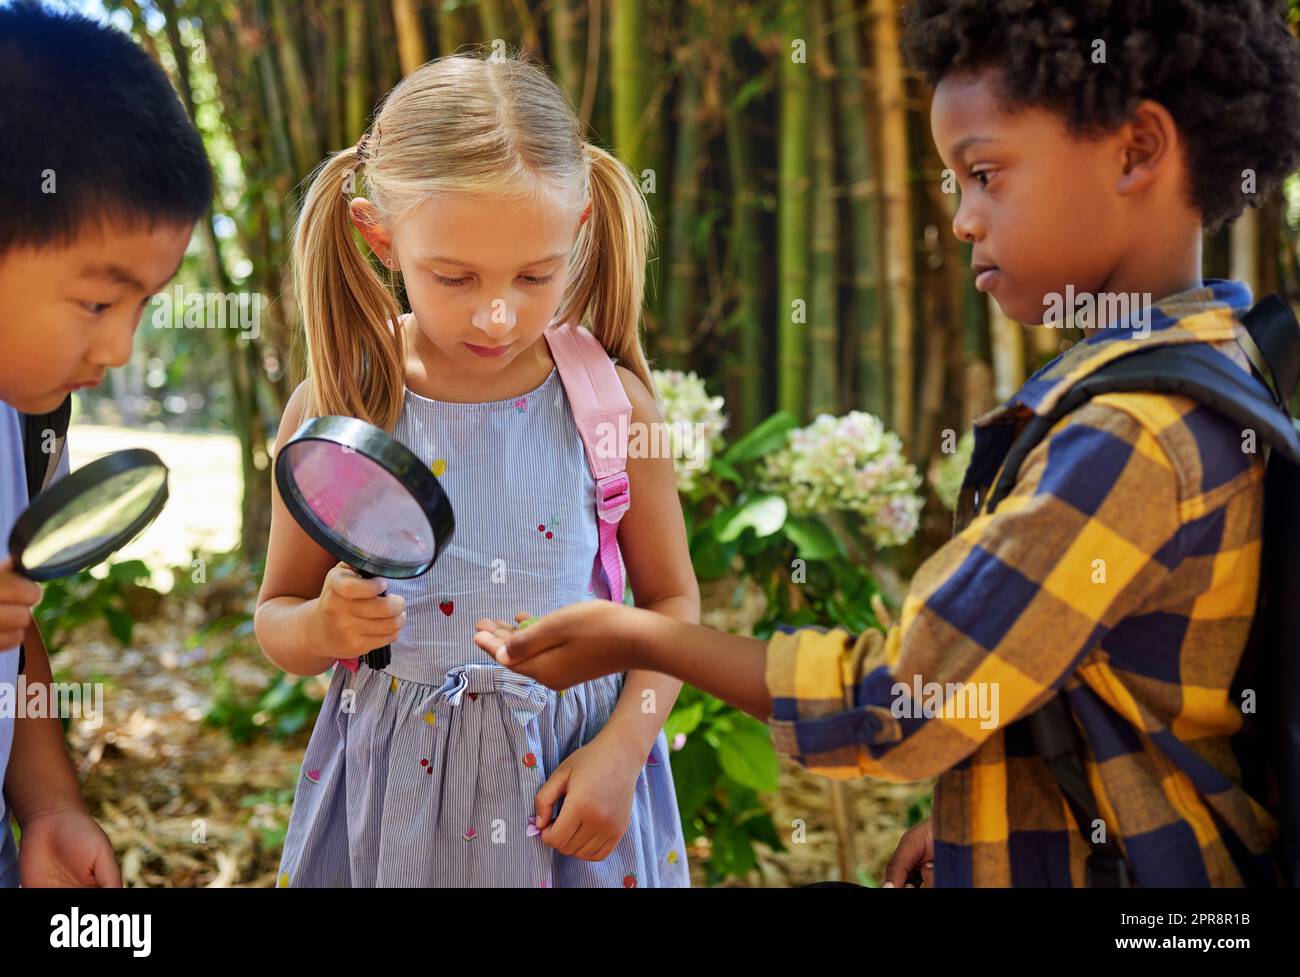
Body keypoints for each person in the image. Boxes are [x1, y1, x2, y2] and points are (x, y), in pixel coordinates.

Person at [474, 0, 1300, 887]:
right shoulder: (1219, 365)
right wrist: (971, 817)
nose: (963, 220)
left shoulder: (1130, 439)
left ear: (1136, 151)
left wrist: (644, 638)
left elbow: (901, 701)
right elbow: (1060, 672)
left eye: (985, 174)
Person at [256, 50, 698, 887]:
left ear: (579, 230)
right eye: (454, 277)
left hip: (566, 797)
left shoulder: (610, 407)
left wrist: (621, 750)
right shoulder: (344, 408)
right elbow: (278, 614)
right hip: (391, 812)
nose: (497, 314)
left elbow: (672, 603)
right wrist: (321, 627)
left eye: (535, 275)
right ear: (380, 236)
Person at [0, 1, 211, 887]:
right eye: (97, 301)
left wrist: (49, 804)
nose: (121, 347)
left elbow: (14, 630)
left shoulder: (30, 419)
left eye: (143, 304)